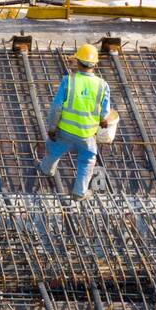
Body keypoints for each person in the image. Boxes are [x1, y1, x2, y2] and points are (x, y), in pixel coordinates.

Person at [39, 43, 111, 200]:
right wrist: (103, 121)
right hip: (86, 134)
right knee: (87, 161)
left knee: (54, 149)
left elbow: (57, 107)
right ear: (95, 65)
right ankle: (79, 192)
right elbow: (105, 113)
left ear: (78, 62)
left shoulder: (69, 81)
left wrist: (52, 128)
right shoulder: (102, 85)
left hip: (64, 130)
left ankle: (46, 170)